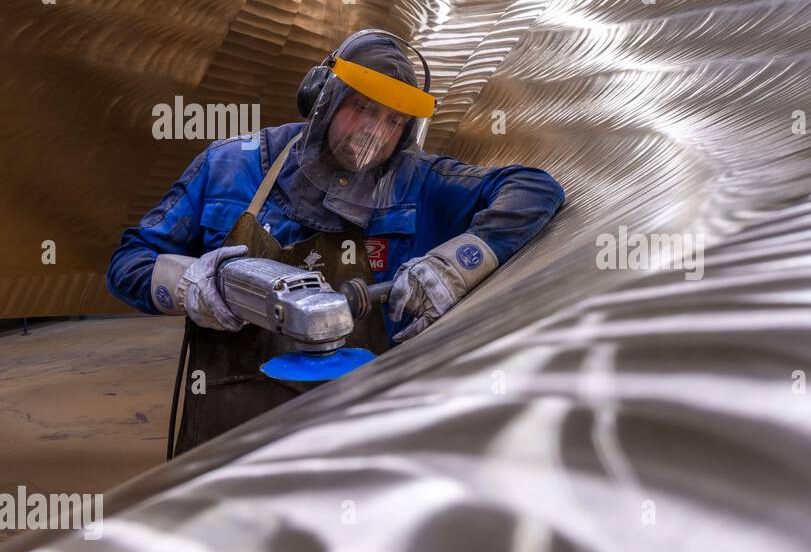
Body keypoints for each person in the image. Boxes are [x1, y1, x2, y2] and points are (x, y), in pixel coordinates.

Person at [107, 29, 565, 455]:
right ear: (322, 97)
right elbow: (129, 263)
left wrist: (454, 265)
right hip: (232, 434)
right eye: (364, 108)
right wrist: (190, 284)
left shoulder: (419, 182)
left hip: (359, 438)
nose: (375, 131)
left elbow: (533, 191)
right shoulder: (230, 166)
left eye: (393, 121)